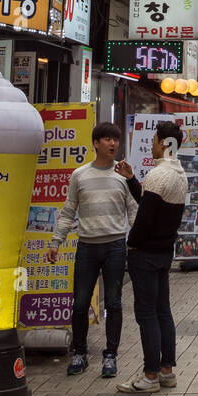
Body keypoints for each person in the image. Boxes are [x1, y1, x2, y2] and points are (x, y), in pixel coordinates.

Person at [47, 121, 138, 378]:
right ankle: (80, 353)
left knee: (114, 303)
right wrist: (56, 242)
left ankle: (111, 356)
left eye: (115, 139)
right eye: (107, 139)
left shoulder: (123, 176)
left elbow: (133, 211)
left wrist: (139, 242)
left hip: (115, 247)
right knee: (79, 304)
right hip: (86, 247)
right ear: (96, 143)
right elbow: (68, 212)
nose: (113, 144)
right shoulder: (80, 175)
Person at [117, 121, 188, 394]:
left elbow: (145, 218)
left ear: (165, 144)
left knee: (146, 314)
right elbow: (149, 203)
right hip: (164, 251)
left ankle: (149, 375)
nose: (152, 143)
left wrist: (131, 245)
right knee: (162, 311)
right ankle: (167, 370)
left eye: (155, 139)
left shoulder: (159, 176)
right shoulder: (177, 174)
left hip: (145, 254)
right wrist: (133, 179)